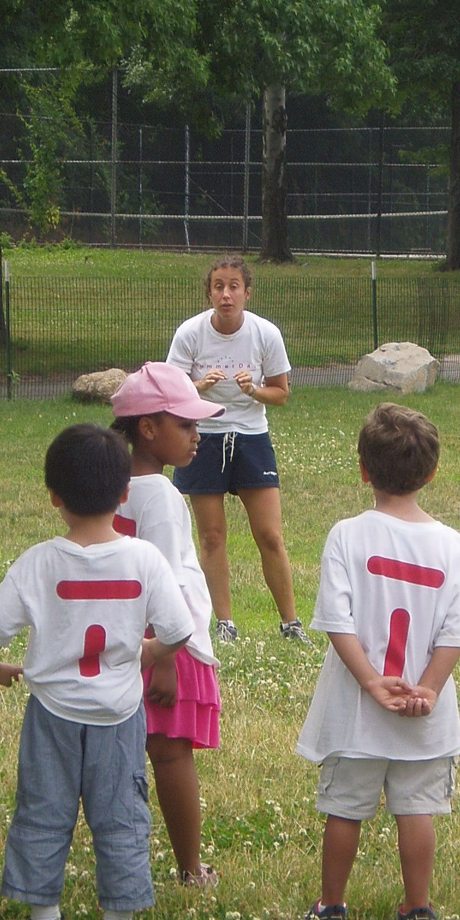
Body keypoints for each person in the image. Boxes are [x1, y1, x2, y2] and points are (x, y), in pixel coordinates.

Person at [0, 423, 196, 920]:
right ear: (124, 494)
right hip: (119, 712)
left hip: (51, 712)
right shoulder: (144, 559)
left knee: (42, 810)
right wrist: (148, 654)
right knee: (121, 815)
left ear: (53, 496)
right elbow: (179, 632)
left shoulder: (39, 561)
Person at [294, 403, 460, 920]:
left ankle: (331, 906)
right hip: (423, 710)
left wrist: (372, 682)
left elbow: (335, 619)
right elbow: (455, 632)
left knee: (345, 808)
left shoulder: (347, 535)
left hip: (355, 709)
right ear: (432, 472)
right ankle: (417, 907)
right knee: (417, 808)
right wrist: (429, 689)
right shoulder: (452, 545)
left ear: (363, 470)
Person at [109, 363, 228, 888]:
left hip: (121, 643)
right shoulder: (157, 494)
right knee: (172, 756)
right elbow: (158, 578)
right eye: (185, 425)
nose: (196, 436)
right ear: (148, 429)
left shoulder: (109, 489)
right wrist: (166, 659)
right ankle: (189, 867)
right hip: (164, 648)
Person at [165, 256, 302, 642]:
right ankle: (224, 624)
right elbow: (171, 391)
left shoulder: (265, 333)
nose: (226, 295)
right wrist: (198, 387)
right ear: (209, 292)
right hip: (203, 436)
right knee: (211, 537)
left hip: (251, 436)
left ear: (247, 291)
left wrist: (253, 390)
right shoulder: (190, 333)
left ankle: (291, 624)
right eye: (219, 286)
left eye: (234, 286)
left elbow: (280, 394)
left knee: (270, 535)